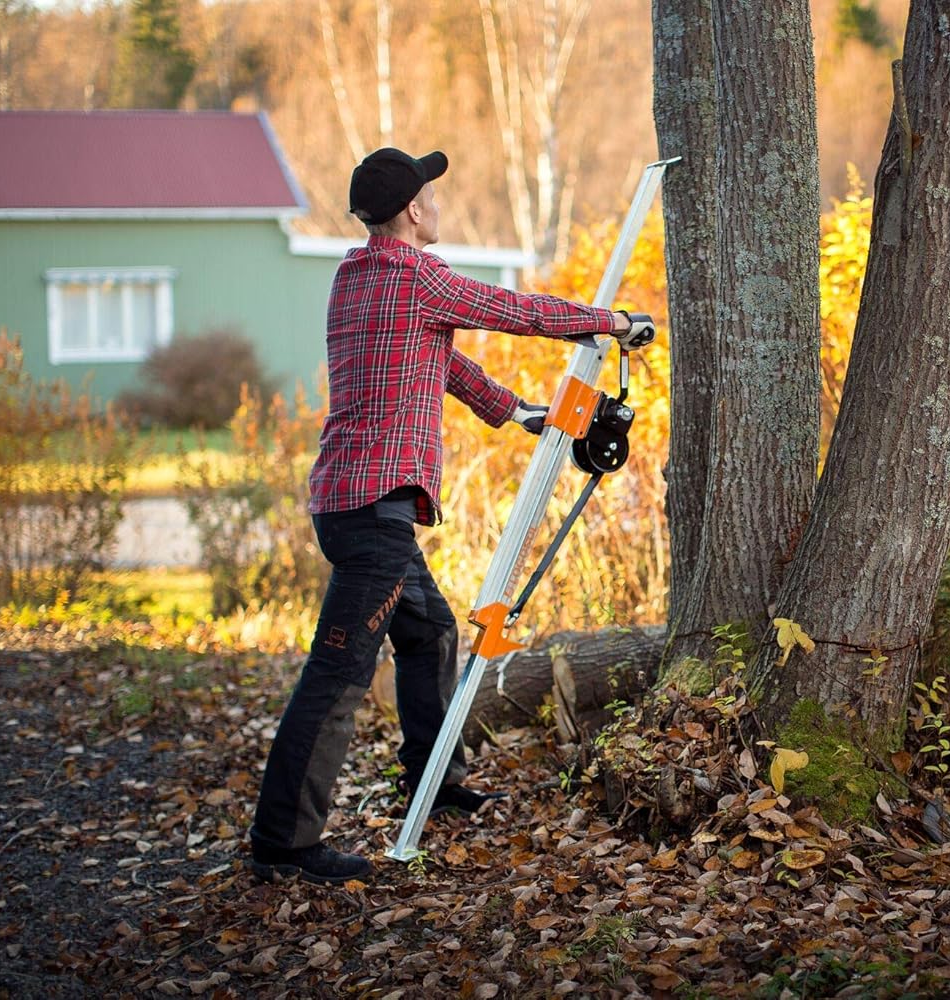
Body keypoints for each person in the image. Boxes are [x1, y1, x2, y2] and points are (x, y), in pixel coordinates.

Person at [249, 147, 655, 884]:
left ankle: (436, 780)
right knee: (337, 676)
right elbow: (516, 312)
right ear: (413, 210)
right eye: (430, 193)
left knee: (431, 632)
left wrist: (517, 413)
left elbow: (440, 362)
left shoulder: (356, 279)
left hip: (352, 504)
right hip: (374, 516)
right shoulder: (417, 277)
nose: (437, 201)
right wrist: (613, 322)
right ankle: (284, 842)